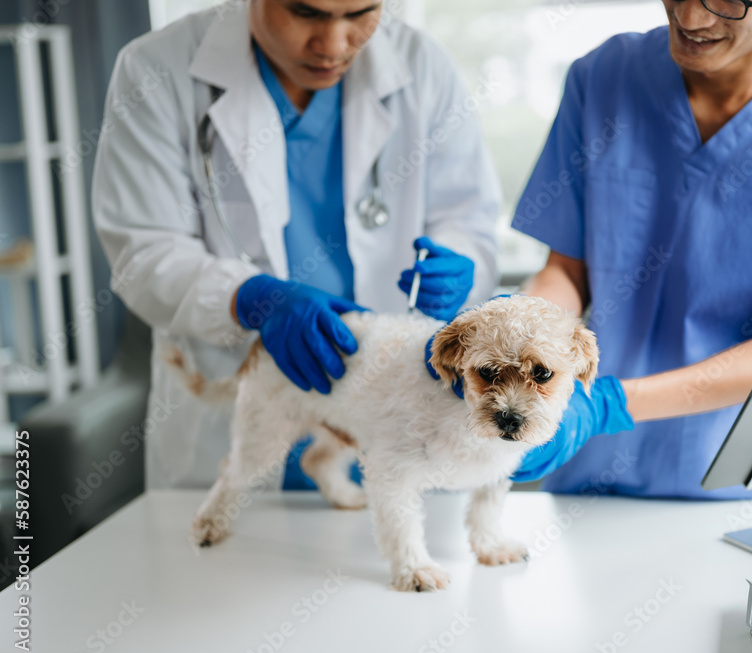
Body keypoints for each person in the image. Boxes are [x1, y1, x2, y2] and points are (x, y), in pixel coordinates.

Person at [93, 0, 501, 489]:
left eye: (360, 12)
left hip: (395, 408)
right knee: (232, 551)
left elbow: (469, 219)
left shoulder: (422, 65)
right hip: (233, 409)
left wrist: (461, 263)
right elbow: (143, 250)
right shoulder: (157, 69)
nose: (332, 45)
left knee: (399, 547)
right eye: (305, 12)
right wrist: (250, 298)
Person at [507, 0, 752, 498]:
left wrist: (610, 405)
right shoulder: (604, 76)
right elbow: (566, 271)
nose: (691, 19)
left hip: (750, 489)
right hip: (593, 475)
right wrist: (519, 327)